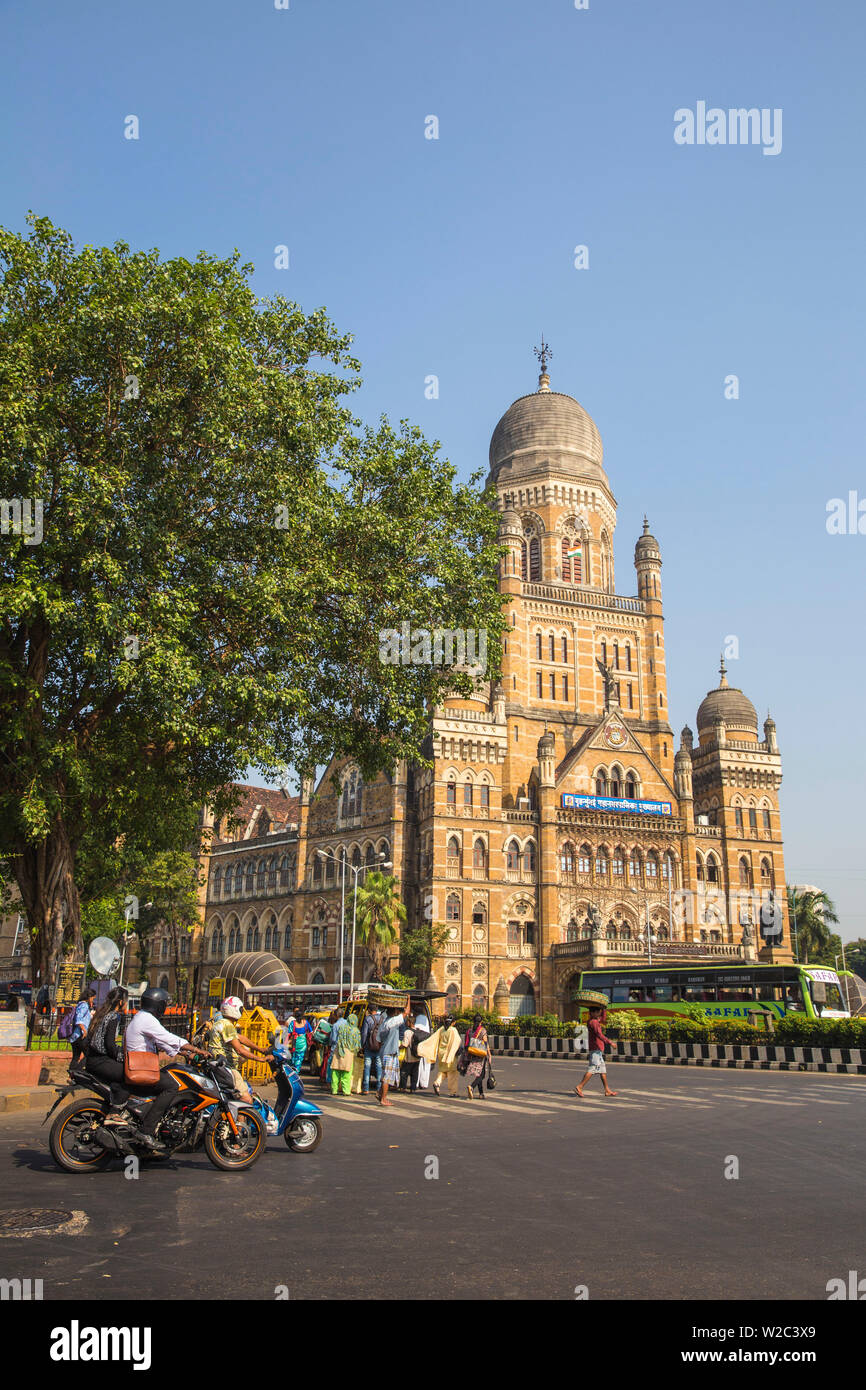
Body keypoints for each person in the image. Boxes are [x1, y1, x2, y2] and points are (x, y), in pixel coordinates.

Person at [123, 986, 209, 1150]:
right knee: (172, 1086)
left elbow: (162, 1043)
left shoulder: (142, 1017)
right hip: (141, 1069)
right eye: (164, 1005)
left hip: (141, 1067)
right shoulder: (147, 1019)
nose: (165, 1008)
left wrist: (187, 1054)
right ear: (158, 1005)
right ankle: (146, 1130)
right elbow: (168, 1037)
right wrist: (197, 1050)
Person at [204, 995, 272, 1104]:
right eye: (240, 1009)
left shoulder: (221, 1023)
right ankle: (241, 1122)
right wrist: (261, 1059)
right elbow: (240, 1050)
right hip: (226, 1068)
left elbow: (241, 1038)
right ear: (234, 1009)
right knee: (246, 1100)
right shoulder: (227, 1025)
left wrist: (261, 1049)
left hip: (220, 1065)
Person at [84, 986, 130, 1118]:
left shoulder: (101, 1014)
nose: (126, 1004)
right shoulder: (113, 1017)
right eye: (126, 1001)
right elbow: (110, 1045)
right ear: (121, 1002)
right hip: (100, 1061)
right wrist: (122, 1056)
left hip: (92, 1059)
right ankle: (114, 1113)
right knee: (128, 1075)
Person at [574, 1007, 618, 1098]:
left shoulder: (593, 1021)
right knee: (592, 1069)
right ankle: (580, 1086)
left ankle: (607, 1090)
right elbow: (599, 1034)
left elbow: (603, 1018)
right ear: (593, 1013)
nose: (599, 1014)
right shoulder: (593, 1022)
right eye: (598, 1012)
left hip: (597, 1049)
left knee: (602, 1071)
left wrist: (603, 1008)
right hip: (595, 1049)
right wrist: (610, 1043)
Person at [418, 1015, 461, 1097]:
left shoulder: (441, 1029)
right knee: (452, 1072)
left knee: (443, 1070)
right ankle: (453, 1092)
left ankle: (437, 1083)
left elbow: (433, 1038)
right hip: (449, 1053)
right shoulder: (453, 1030)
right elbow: (457, 1042)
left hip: (441, 1053)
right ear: (453, 1022)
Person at [377, 1004, 407, 1107]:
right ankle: (383, 1099)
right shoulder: (393, 1022)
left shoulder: (383, 1024)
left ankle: (380, 1094)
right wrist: (408, 998)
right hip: (389, 1052)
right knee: (387, 1077)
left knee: (385, 1074)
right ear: (394, 1012)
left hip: (384, 1051)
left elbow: (379, 1040)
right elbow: (406, 1012)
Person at [331, 1012, 361, 1095]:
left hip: (338, 1051)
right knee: (346, 1073)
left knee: (335, 1071)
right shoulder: (356, 1031)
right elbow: (357, 1045)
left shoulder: (342, 1028)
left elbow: (335, 1039)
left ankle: (334, 1090)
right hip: (349, 1053)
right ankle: (346, 1091)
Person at [462, 1013, 490, 1101]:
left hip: (472, 1053)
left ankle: (481, 1093)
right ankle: (472, 1086)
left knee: (478, 1073)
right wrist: (489, 1054)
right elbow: (485, 1043)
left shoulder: (470, 1030)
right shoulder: (482, 1030)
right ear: (481, 1022)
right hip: (480, 1054)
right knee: (482, 1075)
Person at [360, 1004, 384, 1095]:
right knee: (379, 1067)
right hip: (379, 1046)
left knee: (367, 1067)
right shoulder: (382, 1019)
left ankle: (366, 1088)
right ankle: (379, 1088)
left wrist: (362, 1045)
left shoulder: (368, 1019)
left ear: (369, 1010)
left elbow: (364, 1034)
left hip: (369, 1046)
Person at [69, 986, 96, 1066]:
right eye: (92, 998)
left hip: (75, 1036)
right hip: (80, 1035)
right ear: (89, 997)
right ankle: (79, 1070)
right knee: (88, 1055)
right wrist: (84, 1030)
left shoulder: (79, 1004)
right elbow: (79, 1019)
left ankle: (71, 1075)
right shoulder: (84, 1005)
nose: (92, 1000)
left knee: (76, 1057)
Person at [286, 1007, 314, 1071]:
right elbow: (311, 1032)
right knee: (299, 1059)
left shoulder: (293, 1023)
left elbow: (288, 1034)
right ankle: (296, 1071)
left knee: (293, 1058)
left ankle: (291, 1071)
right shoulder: (305, 1022)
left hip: (294, 1044)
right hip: (303, 1045)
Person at [399, 1013, 420, 1093]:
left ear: (410, 1022)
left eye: (407, 1021)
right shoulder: (418, 1030)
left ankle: (403, 1087)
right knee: (414, 1073)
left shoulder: (407, 1032)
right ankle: (413, 1088)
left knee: (404, 1072)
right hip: (417, 1056)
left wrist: (398, 1047)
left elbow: (405, 1044)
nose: (406, 1023)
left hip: (409, 1056)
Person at [413, 1012, 432, 1090]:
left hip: (419, 1044)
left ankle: (416, 1083)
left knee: (418, 1064)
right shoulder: (426, 1020)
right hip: (427, 1043)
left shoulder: (417, 1019)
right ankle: (424, 1083)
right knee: (426, 1065)